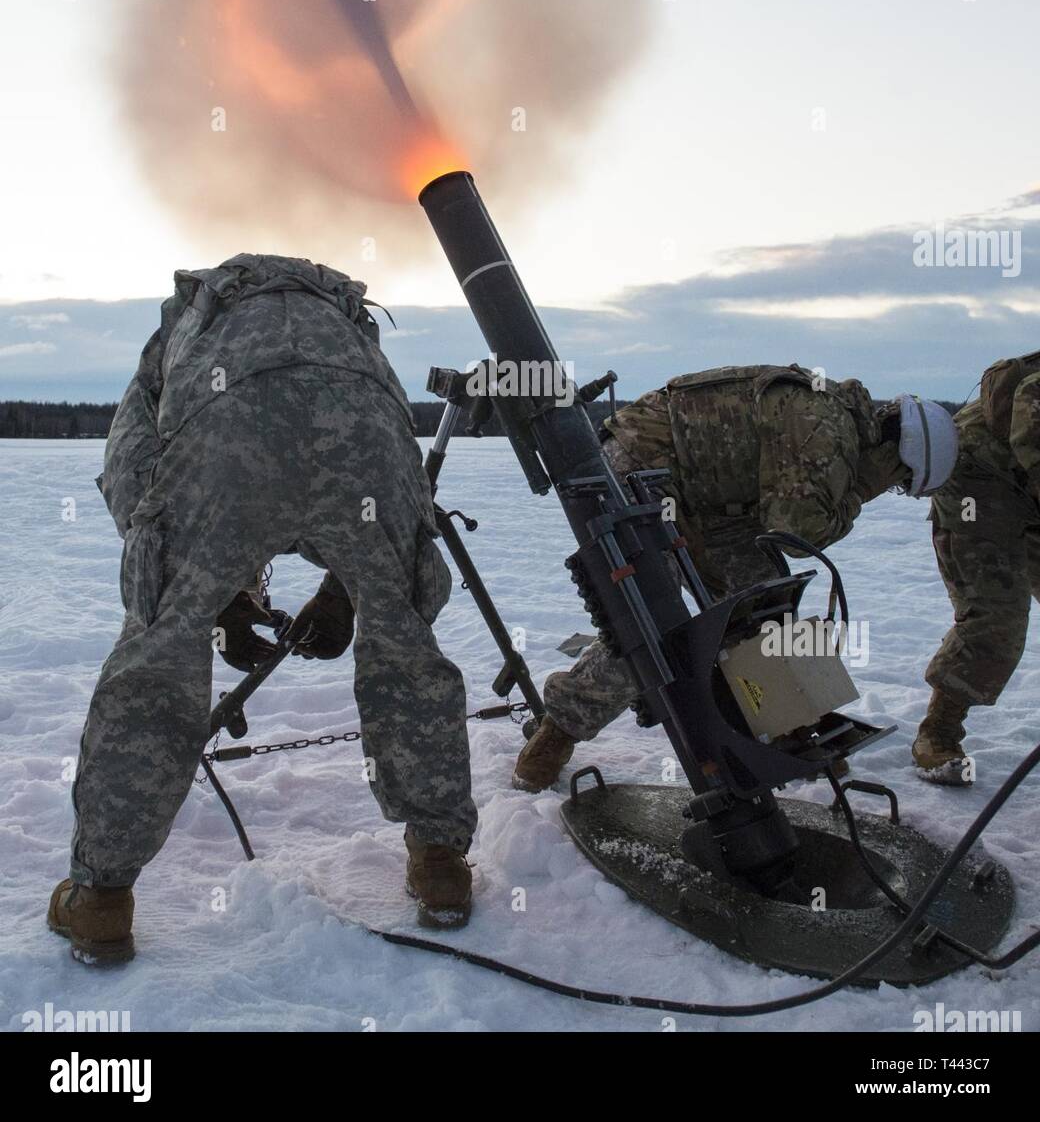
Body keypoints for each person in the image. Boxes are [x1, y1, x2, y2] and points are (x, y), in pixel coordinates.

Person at [48, 255, 476, 965]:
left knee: (155, 665)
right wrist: (355, 588)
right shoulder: (345, 324)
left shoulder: (187, 324)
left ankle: (101, 900)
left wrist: (198, 596)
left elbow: (135, 472)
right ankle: (440, 866)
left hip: (227, 442)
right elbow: (375, 443)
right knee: (406, 648)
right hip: (368, 442)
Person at [513, 364, 958, 792]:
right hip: (640, 468)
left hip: (710, 500)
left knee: (760, 599)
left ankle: (785, 722)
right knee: (650, 617)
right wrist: (860, 490)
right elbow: (796, 531)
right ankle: (559, 730)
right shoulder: (827, 431)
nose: (891, 487)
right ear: (893, 452)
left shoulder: (837, 423)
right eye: (899, 480)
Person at [913, 352, 1040, 785]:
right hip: (977, 485)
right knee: (996, 617)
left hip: (1027, 488)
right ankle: (938, 733)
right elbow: (1032, 435)